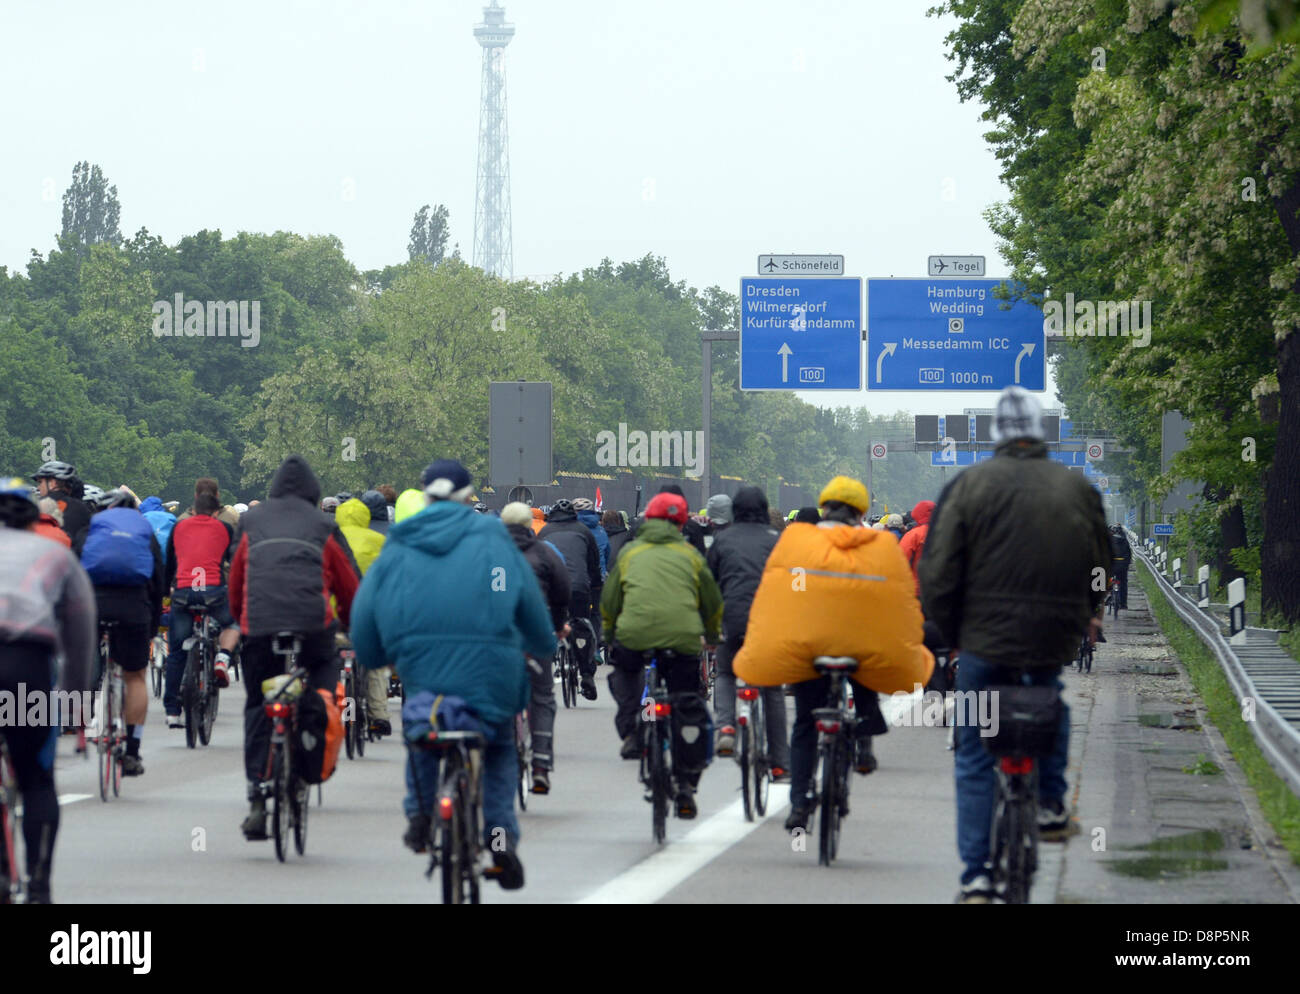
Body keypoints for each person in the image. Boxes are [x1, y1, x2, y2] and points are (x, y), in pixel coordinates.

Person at [919, 386, 1111, 904]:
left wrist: (953, 633)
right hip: (1053, 634)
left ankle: (977, 876)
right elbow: (1100, 563)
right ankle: (1051, 802)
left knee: (977, 751)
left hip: (982, 638)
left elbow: (937, 572)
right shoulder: (1075, 489)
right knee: (1051, 699)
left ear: (998, 435)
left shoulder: (968, 486)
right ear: (1040, 432)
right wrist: (1091, 613)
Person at [350, 460, 555, 889]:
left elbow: (366, 611)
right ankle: (498, 840)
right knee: (498, 748)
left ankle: (422, 817)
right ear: (468, 497)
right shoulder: (495, 540)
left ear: (426, 496)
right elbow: (529, 605)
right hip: (493, 674)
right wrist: (542, 645)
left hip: (423, 670)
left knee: (423, 734)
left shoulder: (402, 542)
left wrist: (374, 655)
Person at [734, 477, 930, 833]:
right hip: (857, 647)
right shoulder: (880, 544)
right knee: (866, 662)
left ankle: (798, 802)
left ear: (823, 508)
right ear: (860, 512)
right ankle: (867, 724)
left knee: (806, 723)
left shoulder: (796, 541)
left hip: (810, 649)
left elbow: (780, 592)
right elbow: (898, 599)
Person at [228, 455, 360, 839]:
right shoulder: (324, 524)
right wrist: (351, 624)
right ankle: (311, 734)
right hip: (311, 627)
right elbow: (346, 584)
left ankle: (257, 792)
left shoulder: (251, 522)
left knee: (258, 704)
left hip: (261, 628)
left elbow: (237, 577)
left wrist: (243, 619)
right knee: (321, 679)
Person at [0, 478, 97, 903]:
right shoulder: (55, 555)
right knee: (37, 780)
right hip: (27, 665)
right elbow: (79, 634)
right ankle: (39, 882)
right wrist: (77, 702)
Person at [602, 491, 723, 818]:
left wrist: (609, 634)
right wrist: (711, 636)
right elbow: (711, 602)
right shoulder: (691, 556)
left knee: (625, 676)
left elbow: (611, 599)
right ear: (682, 522)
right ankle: (685, 783)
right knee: (687, 701)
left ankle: (630, 732)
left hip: (634, 635)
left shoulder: (629, 553)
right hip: (681, 639)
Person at [80, 489, 165, 776]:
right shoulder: (144, 531)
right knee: (135, 676)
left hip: (94, 605)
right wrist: (152, 625)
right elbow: (158, 582)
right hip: (133, 606)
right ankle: (132, 750)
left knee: (87, 656)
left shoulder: (91, 529)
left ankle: (79, 716)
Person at [706, 485, 789, 778]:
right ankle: (780, 762)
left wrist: (708, 630)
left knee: (726, 672)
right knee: (772, 689)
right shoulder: (778, 541)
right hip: (769, 624)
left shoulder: (721, 540)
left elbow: (708, 587)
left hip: (732, 621)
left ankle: (726, 726)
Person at [501, 501, 570, 794]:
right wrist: (556, 627)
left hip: (499, 638)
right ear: (531, 525)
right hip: (534, 635)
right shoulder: (545, 553)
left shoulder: (490, 556)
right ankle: (541, 762)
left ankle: (498, 755)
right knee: (542, 695)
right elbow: (562, 593)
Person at [162, 491, 240, 727]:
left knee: (176, 652)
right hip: (213, 593)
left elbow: (170, 562)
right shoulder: (224, 529)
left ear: (193, 510)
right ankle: (222, 658)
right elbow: (231, 561)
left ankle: (173, 711)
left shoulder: (179, 527)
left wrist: (168, 591)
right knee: (233, 622)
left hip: (184, 593)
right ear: (217, 512)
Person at [335, 496, 391, 736]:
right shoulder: (379, 540)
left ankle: (330, 706)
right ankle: (378, 714)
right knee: (376, 665)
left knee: (329, 660)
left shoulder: (330, 541)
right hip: (369, 616)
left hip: (336, 616)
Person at [538, 498, 602, 700]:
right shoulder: (584, 531)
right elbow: (594, 564)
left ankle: (546, 664)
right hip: (578, 587)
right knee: (581, 625)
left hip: (549, 587)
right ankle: (586, 673)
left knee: (548, 624)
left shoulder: (544, 532)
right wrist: (596, 586)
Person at [32, 461, 91, 545]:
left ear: (53, 483)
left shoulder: (39, 507)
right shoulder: (82, 509)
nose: (38, 487)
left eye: (40, 482)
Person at [898, 499, 936, 595]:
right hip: (941, 590)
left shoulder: (914, 535)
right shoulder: (948, 533)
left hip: (917, 590)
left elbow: (900, 561)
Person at [1109, 524, 1131, 609]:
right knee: (1123, 583)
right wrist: (1127, 564)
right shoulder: (1125, 541)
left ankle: (1107, 598)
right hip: (1122, 565)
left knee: (1106, 580)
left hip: (1112, 565)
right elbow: (1129, 555)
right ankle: (1123, 604)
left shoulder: (1109, 541)